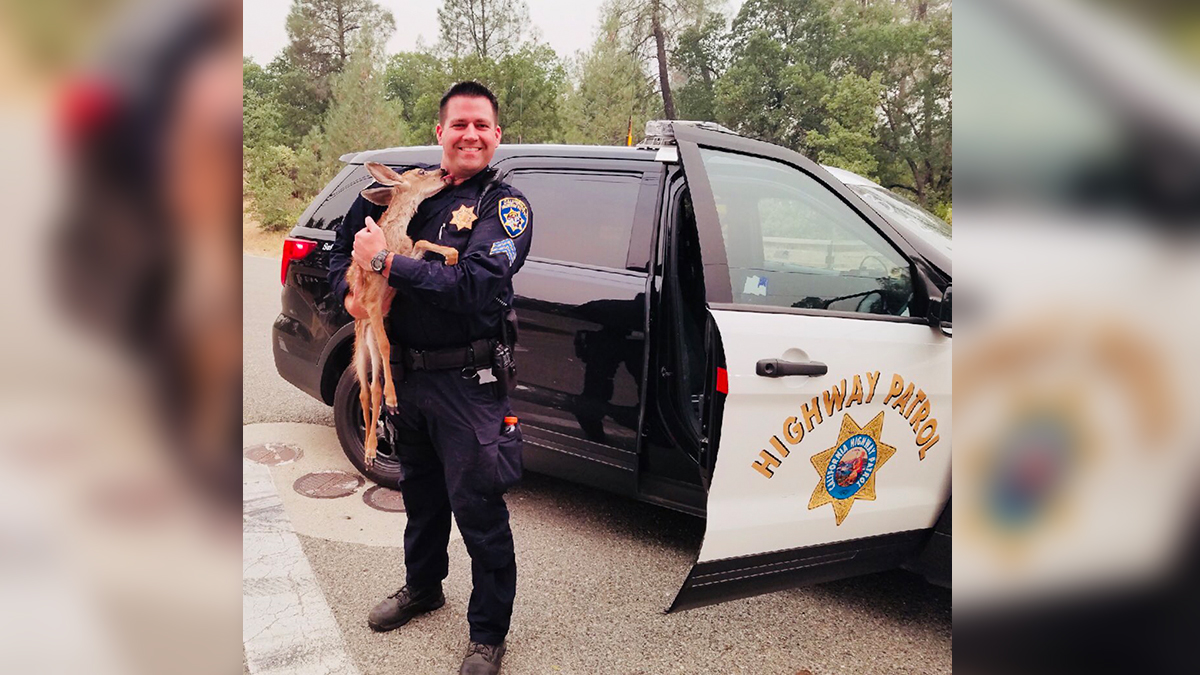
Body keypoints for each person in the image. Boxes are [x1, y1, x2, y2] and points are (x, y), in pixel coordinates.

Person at [328, 81, 532, 675]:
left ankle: (488, 633)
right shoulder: (408, 190)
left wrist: (387, 264)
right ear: (440, 132)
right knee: (420, 495)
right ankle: (423, 587)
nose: (471, 134)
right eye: (459, 124)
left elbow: (475, 286)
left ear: (497, 135)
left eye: (482, 126)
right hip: (406, 376)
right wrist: (354, 290)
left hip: (469, 382)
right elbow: (348, 241)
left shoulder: (504, 206)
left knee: (479, 508)